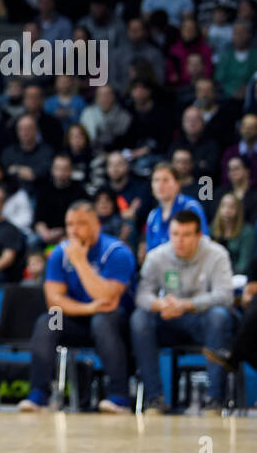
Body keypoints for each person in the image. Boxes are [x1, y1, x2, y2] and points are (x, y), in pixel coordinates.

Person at [20, 202, 135, 413]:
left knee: (103, 320)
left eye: (81, 223)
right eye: (69, 224)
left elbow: (106, 298)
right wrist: (89, 308)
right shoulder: (59, 254)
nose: (74, 230)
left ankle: (119, 396)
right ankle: (39, 396)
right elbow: (54, 300)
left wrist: (80, 262)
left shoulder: (117, 252)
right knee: (48, 321)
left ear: (96, 225)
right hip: (81, 318)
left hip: (117, 324)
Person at [131, 210, 234, 412]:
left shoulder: (217, 254)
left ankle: (215, 399)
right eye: (175, 234)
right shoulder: (157, 256)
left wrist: (186, 304)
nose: (179, 240)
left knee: (219, 316)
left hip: (203, 321)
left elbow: (225, 295)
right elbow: (142, 295)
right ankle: (154, 398)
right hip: (169, 320)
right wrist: (160, 305)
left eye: (186, 235)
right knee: (139, 319)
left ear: (199, 236)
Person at [143, 162, 208, 256]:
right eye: (156, 180)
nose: (160, 185)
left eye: (165, 180)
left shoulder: (190, 207)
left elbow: (203, 243)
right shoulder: (153, 216)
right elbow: (150, 253)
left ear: (177, 184)